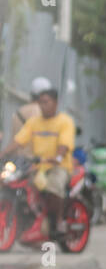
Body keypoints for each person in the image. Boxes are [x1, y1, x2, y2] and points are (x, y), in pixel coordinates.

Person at [1, 80, 75, 235]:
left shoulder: (65, 122)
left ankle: (59, 220)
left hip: (58, 166)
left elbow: (64, 145)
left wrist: (58, 158)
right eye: (40, 102)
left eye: (46, 102)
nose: (42, 106)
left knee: (53, 187)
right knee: (18, 183)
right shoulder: (34, 122)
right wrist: (4, 152)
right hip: (37, 166)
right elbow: (18, 140)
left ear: (55, 103)